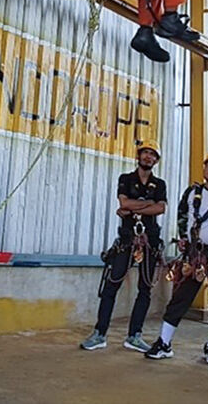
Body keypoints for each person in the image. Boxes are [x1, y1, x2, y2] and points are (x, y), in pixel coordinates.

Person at [145, 153, 208, 364]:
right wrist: (183, 237)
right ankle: (164, 342)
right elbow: (182, 215)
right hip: (193, 254)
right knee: (181, 297)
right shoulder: (192, 192)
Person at [81, 141, 167, 352]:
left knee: (145, 289)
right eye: (145, 153)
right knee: (111, 285)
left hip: (149, 241)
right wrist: (147, 204)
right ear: (139, 156)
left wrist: (133, 207)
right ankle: (100, 333)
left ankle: (134, 336)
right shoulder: (126, 179)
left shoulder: (160, 184)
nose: (148, 157)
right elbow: (124, 203)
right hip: (127, 240)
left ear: (156, 160)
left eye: (152, 154)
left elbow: (161, 208)